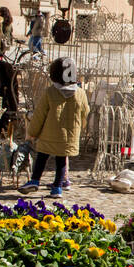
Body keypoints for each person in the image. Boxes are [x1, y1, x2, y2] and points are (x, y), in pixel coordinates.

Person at [21, 57, 90, 198]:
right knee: (61, 160)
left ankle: (35, 180)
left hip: (48, 134)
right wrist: (81, 128)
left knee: (42, 156)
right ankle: (57, 187)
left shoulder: (50, 92)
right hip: (68, 136)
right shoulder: (80, 93)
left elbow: (39, 115)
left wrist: (32, 133)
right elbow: (85, 112)